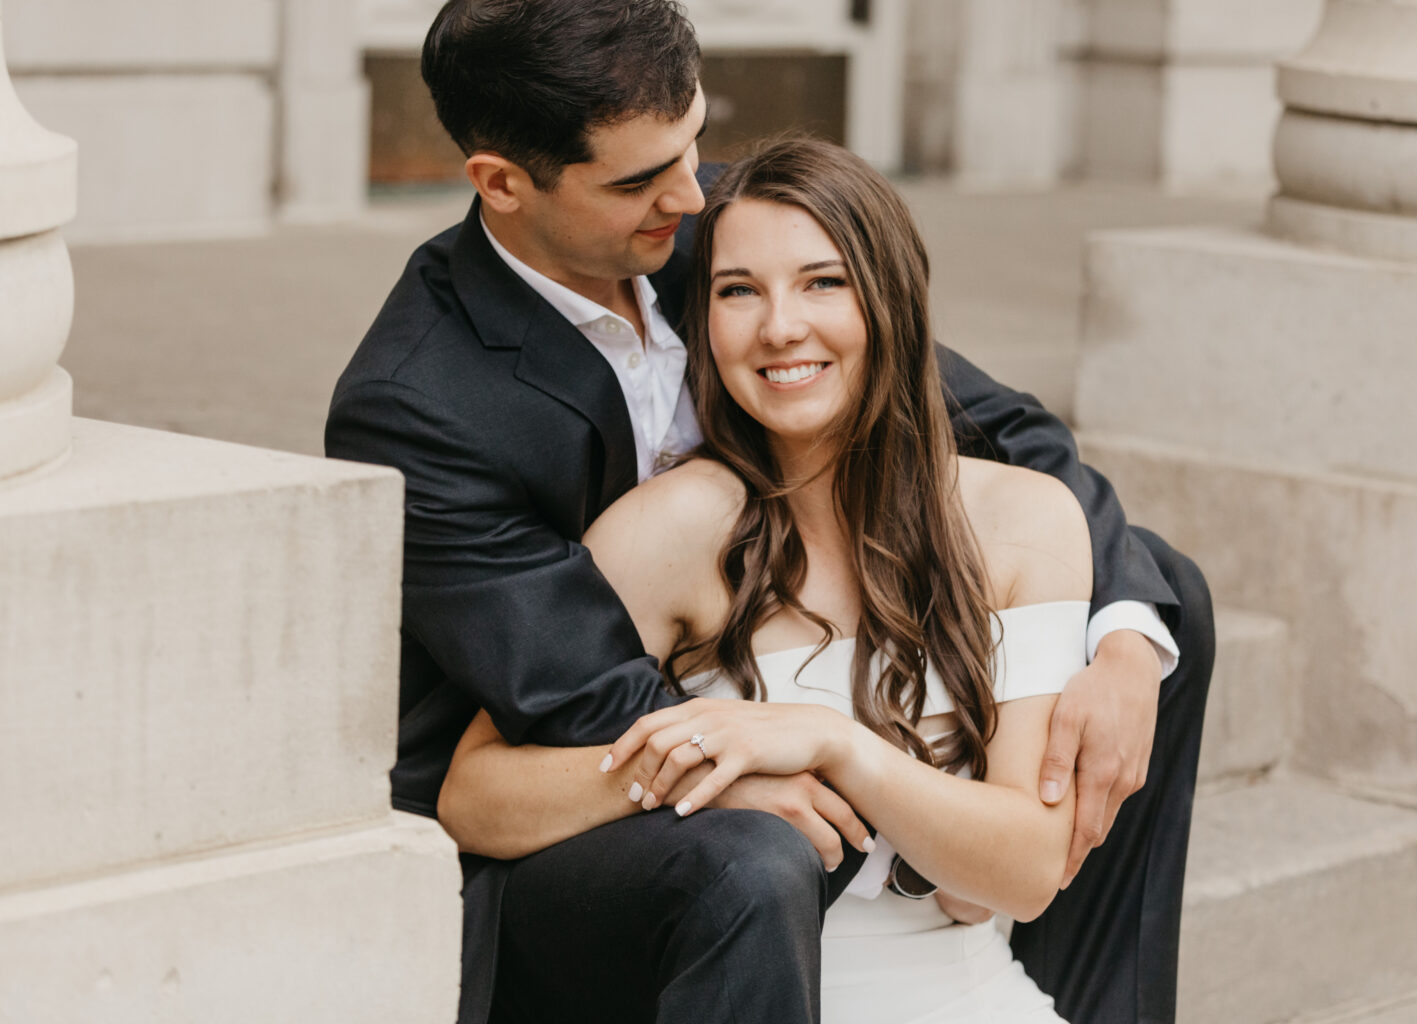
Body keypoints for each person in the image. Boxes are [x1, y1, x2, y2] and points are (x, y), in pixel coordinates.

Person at [324, 2, 1214, 1022]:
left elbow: (999, 430)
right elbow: (580, 701)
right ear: (502, 183)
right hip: (585, 796)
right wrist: (864, 783)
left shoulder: (718, 225)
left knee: (1161, 599)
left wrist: (1125, 642)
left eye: (693, 141)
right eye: (638, 179)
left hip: (792, 664)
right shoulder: (418, 402)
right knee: (757, 854)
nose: (690, 194)